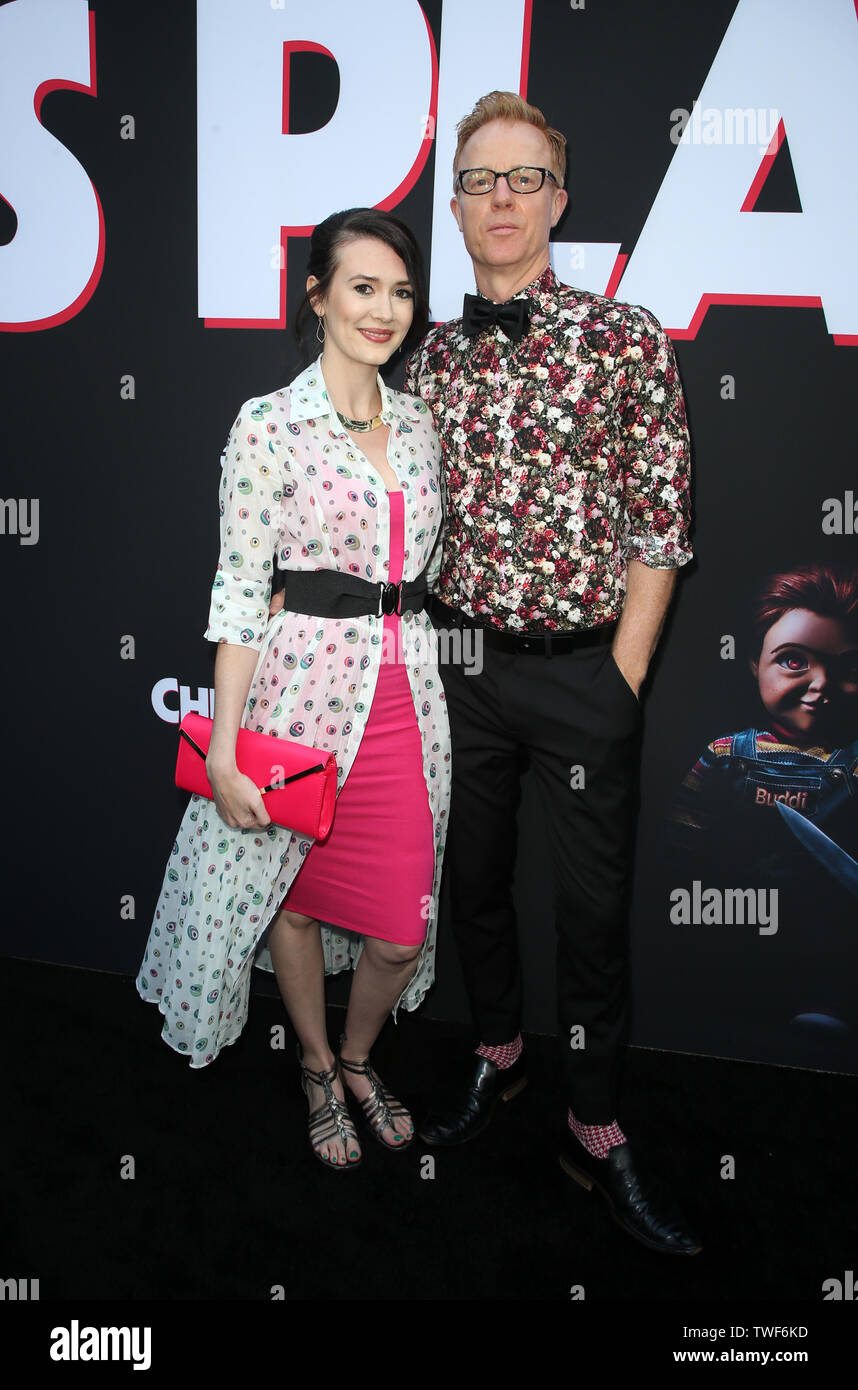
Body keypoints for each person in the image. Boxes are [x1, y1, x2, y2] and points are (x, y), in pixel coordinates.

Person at [404, 91, 699, 1254]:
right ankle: (500, 1062)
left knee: (588, 920)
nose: (504, 198)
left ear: (560, 202)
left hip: (585, 679)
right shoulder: (424, 354)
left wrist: (621, 681)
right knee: (473, 888)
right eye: (482, 179)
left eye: (526, 178)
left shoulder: (625, 336)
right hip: (462, 667)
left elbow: (661, 526)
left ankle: (595, 1126)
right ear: (460, 205)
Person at [136, 208, 450, 1172]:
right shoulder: (269, 424)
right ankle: (317, 1065)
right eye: (363, 286)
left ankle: (360, 1056)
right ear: (317, 297)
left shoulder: (422, 421)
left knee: (402, 932)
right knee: (296, 905)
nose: (385, 309)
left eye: (401, 291)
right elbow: (238, 588)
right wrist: (224, 748)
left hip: (405, 693)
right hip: (301, 691)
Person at [669, 563, 858, 1050]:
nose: (820, 684)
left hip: (828, 937)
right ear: (754, 662)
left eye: (846, 668)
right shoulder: (726, 755)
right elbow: (680, 847)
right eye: (794, 661)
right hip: (733, 927)